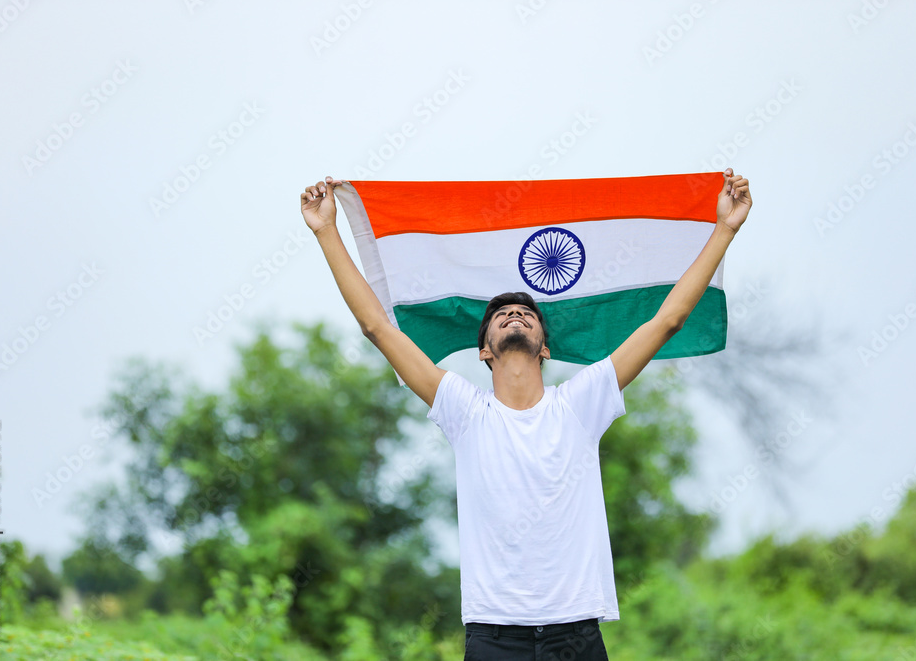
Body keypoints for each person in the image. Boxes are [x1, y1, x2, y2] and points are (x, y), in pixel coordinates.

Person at [301, 169, 752, 660]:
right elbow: (377, 327)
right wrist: (327, 230)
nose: (515, 314)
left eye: (527, 313)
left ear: (544, 347)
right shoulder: (464, 411)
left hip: (575, 634)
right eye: (501, 315)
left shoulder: (581, 403)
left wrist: (724, 229)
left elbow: (668, 320)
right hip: (494, 636)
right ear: (483, 351)